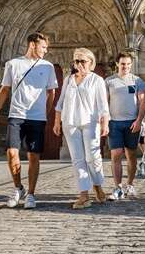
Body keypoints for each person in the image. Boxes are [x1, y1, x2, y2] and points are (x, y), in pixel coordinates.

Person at [0, 32, 58, 209]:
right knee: (12, 153)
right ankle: (18, 187)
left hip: (37, 117)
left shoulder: (48, 66)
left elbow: (52, 92)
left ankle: (32, 194)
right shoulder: (13, 64)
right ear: (32, 44)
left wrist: (46, 112)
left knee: (34, 156)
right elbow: (5, 90)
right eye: (43, 47)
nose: (45, 50)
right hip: (16, 115)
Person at [53, 47, 109, 209]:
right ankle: (84, 195)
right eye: (76, 61)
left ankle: (97, 185)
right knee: (78, 159)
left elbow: (103, 105)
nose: (78, 64)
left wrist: (105, 123)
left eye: (82, 61)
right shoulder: (69, 80)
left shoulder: (96, 80)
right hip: (70, 123)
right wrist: (57, 122)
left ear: (90, 63)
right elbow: (60, 103)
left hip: (90, 122)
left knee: (92, 157)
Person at [105, 51, 145, 200]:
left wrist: (139, 120)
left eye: (129, 64)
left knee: (131, 155)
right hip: (114, 123)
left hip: (132, 123)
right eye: (123, 64)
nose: (126, 67)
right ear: (117, 64)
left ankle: (129, 184)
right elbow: (105, 103)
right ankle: (117, 188)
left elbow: (142, 101)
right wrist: (104, 122)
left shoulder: (137, 81)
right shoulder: (109, 81)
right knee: (116, 154)